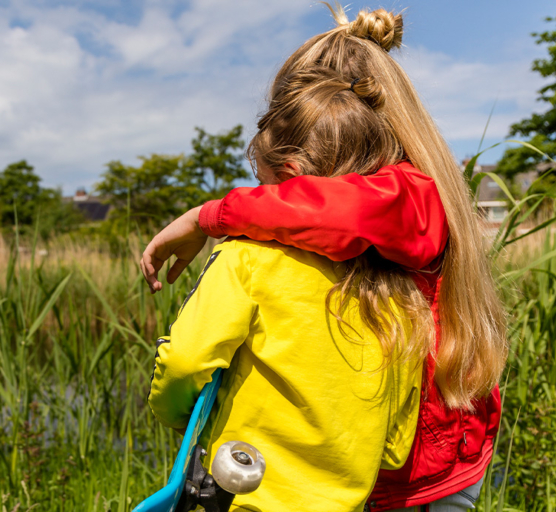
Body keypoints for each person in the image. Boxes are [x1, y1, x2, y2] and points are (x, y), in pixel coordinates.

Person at [142, 6, 507, 512]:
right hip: (394, 460)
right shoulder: (413, 190)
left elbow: (336, 208)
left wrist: (208, 216)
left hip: (423, 472)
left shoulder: (410, 195)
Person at [149, 67, 431, 511]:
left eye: (262, 184)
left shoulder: (246, 257)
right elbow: (395, 448)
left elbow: (185, 362)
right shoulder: (400, 289)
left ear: (292, 174)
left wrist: (178, 418)